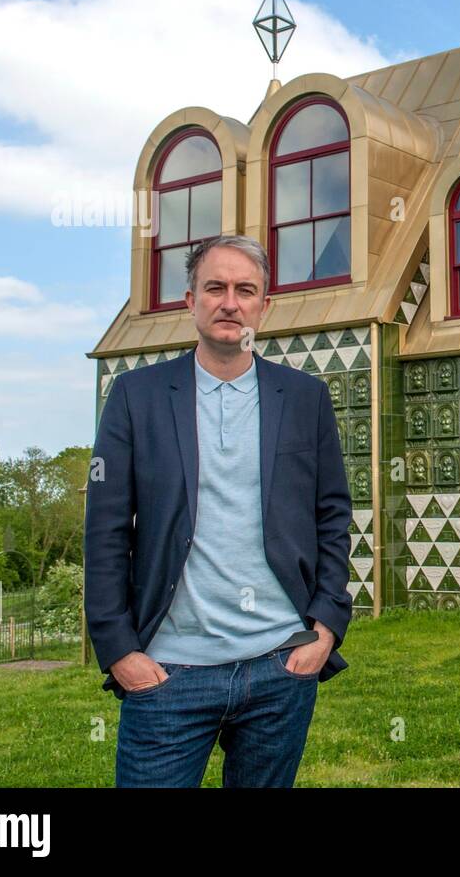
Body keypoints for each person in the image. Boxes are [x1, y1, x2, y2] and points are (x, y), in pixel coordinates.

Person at [83, 233, 353, 787]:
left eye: (245, 290)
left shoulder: (305, 398)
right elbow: (106, 532)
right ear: (190, 301)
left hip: (280, 665)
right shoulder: (137, 396)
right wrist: (118, 650)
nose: (230, 302)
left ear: (263, 306)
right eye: (215, 288)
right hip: (168, 671)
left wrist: (325, 627)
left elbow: (332, 516)